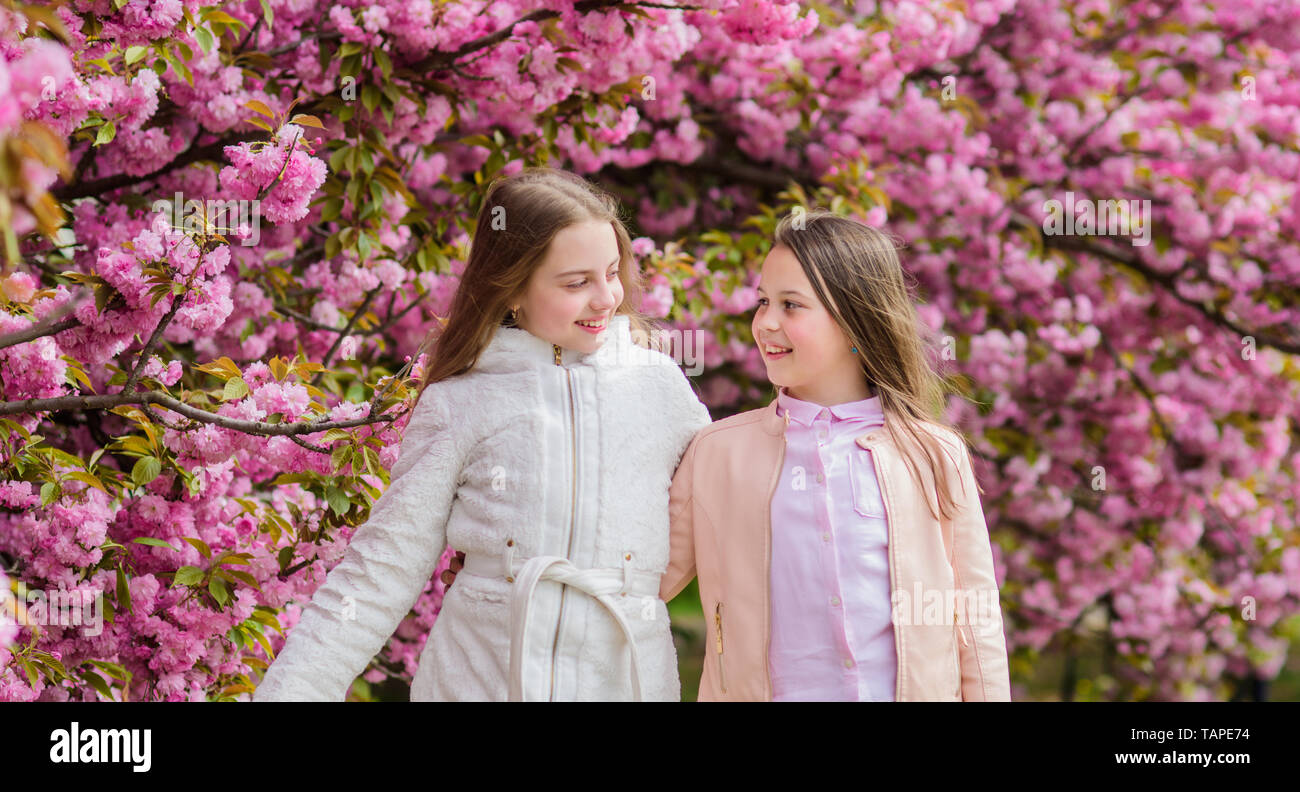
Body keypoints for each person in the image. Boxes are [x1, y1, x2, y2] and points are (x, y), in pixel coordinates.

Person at [252, 167, 711, 701]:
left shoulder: (657, 385)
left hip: (625, 682)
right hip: (478, 682)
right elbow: (379, 573)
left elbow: (720, 507)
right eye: (576, 282)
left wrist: (637, 594)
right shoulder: (461, 402)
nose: (607, 298)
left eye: (612, 271)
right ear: (513, 288)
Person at [662, 209, 1012, 701]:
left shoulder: (933, 453)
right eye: (763, 302)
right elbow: (641, 579)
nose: (765, 322)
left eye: (791, 305)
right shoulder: (718, 453)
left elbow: (975, 617)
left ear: (854, 320)